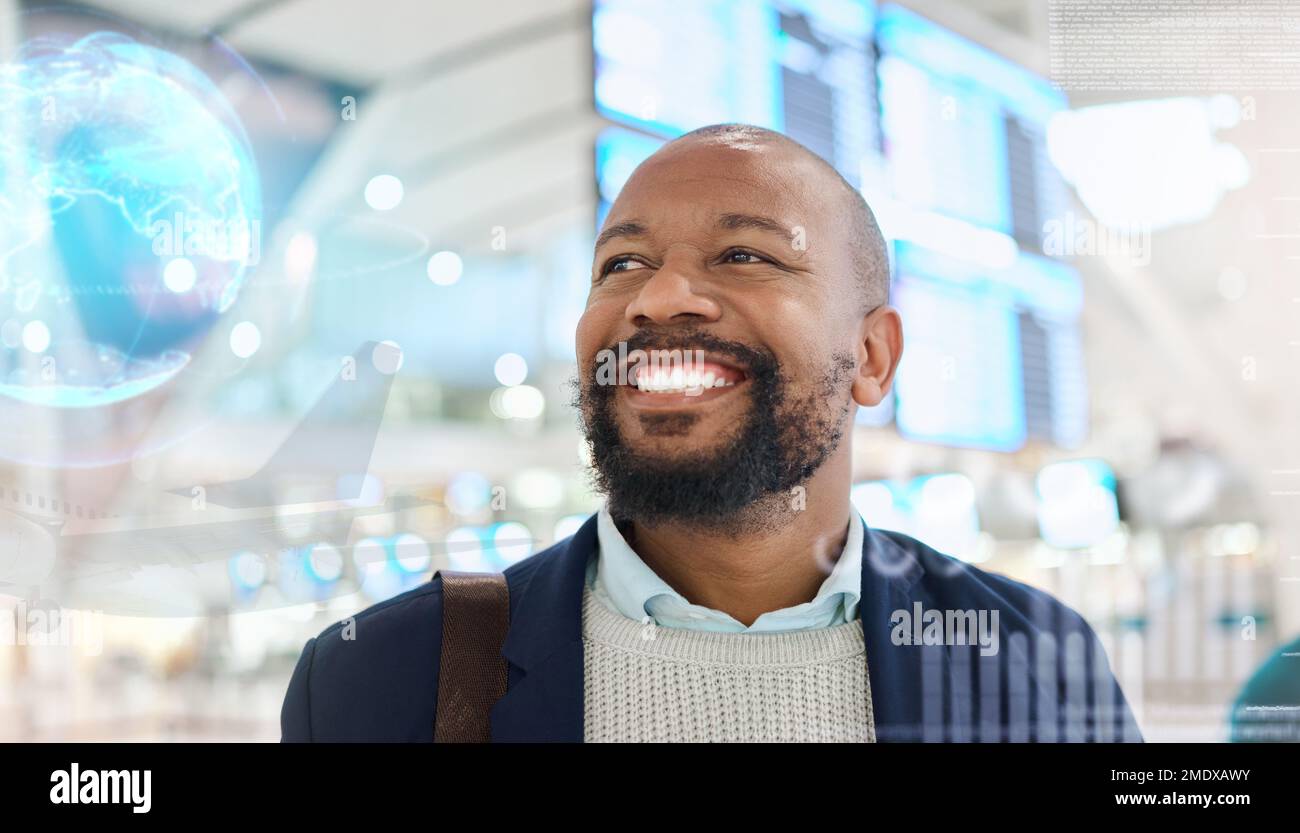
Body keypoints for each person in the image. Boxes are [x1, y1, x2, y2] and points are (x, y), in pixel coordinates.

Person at [280, 124, 1142, 742]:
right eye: (622, 263)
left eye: (745, 256)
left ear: (873, 355)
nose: (658, 297)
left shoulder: (1032, 661)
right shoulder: (386, 680)